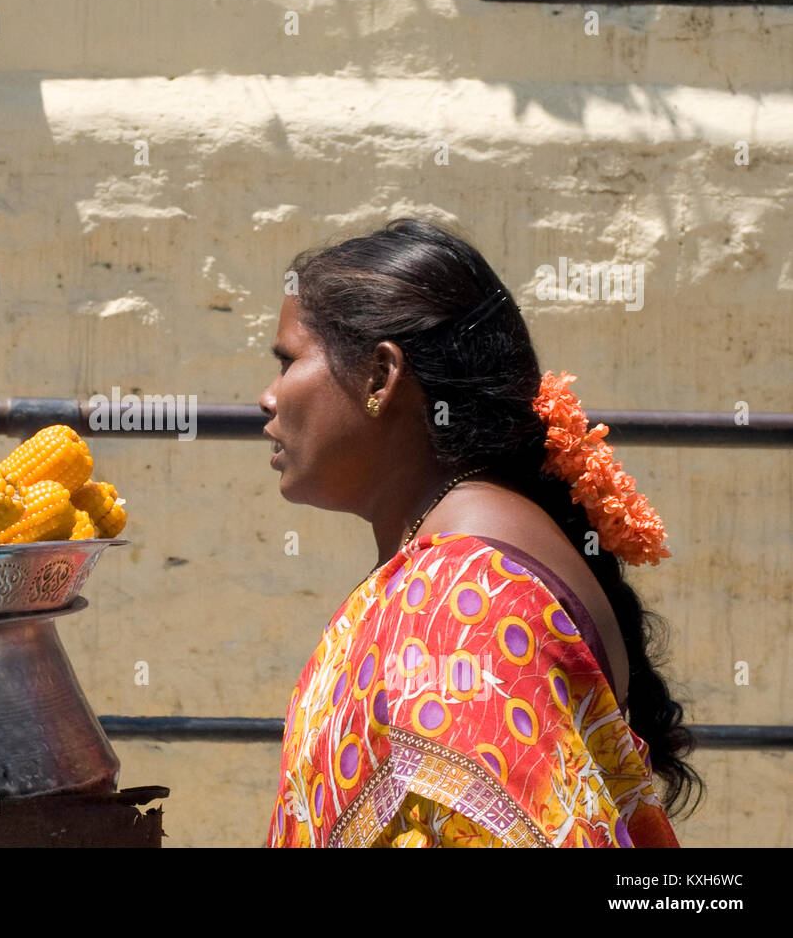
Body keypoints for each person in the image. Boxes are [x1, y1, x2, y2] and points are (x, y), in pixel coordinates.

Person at [259, 218, 700, 848]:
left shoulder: (463, 603)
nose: (267, 397)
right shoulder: (464, 563)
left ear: (380, 377)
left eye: (287, 362)